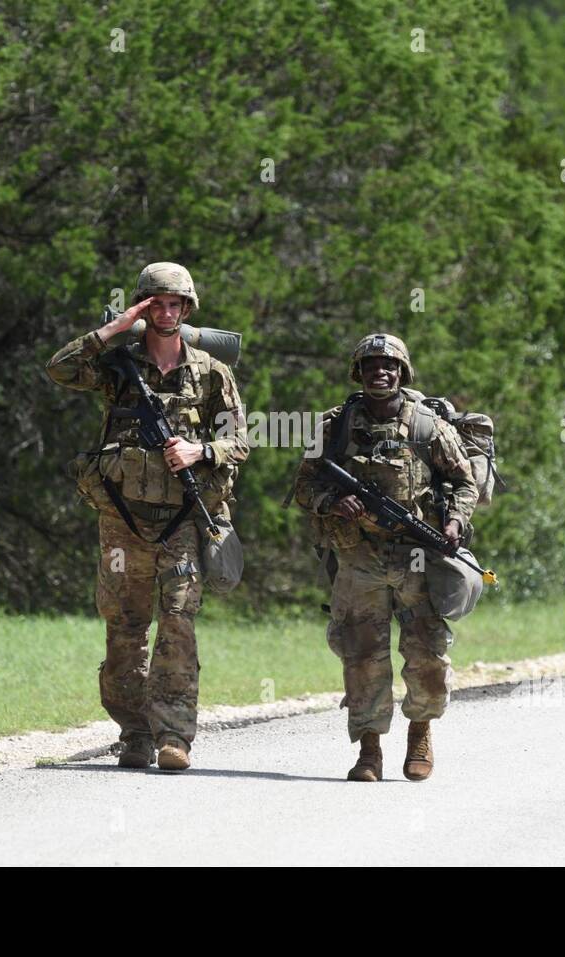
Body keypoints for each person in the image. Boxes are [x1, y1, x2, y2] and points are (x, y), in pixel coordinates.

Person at [45, 262, 248, 771]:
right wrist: (111, 331)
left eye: (175, 303)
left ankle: (174, 735)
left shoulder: (211, 372)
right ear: (143, 308)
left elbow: (240, 441)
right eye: (155, 303)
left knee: (178, 621)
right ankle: (134, 731)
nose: (166, 311)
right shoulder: (116, 367)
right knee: (125, 628)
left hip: (182, 518)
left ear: (187, 309)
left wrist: (201, 452)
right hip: (121, 518)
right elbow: (60, 370)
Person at [292, 334, 478, 781]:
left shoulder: (427, 427)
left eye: (390, 366)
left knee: (428, 655)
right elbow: (303, 487)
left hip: (417, 556)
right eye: (372, 365)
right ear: (359, 372)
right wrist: (334, 503)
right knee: (361, 656)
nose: (382, 372)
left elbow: (464, 482)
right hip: (358, 558)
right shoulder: (335, 427)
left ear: (403, 373)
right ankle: (369, 751)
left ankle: (420, 734)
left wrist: (452, 523)